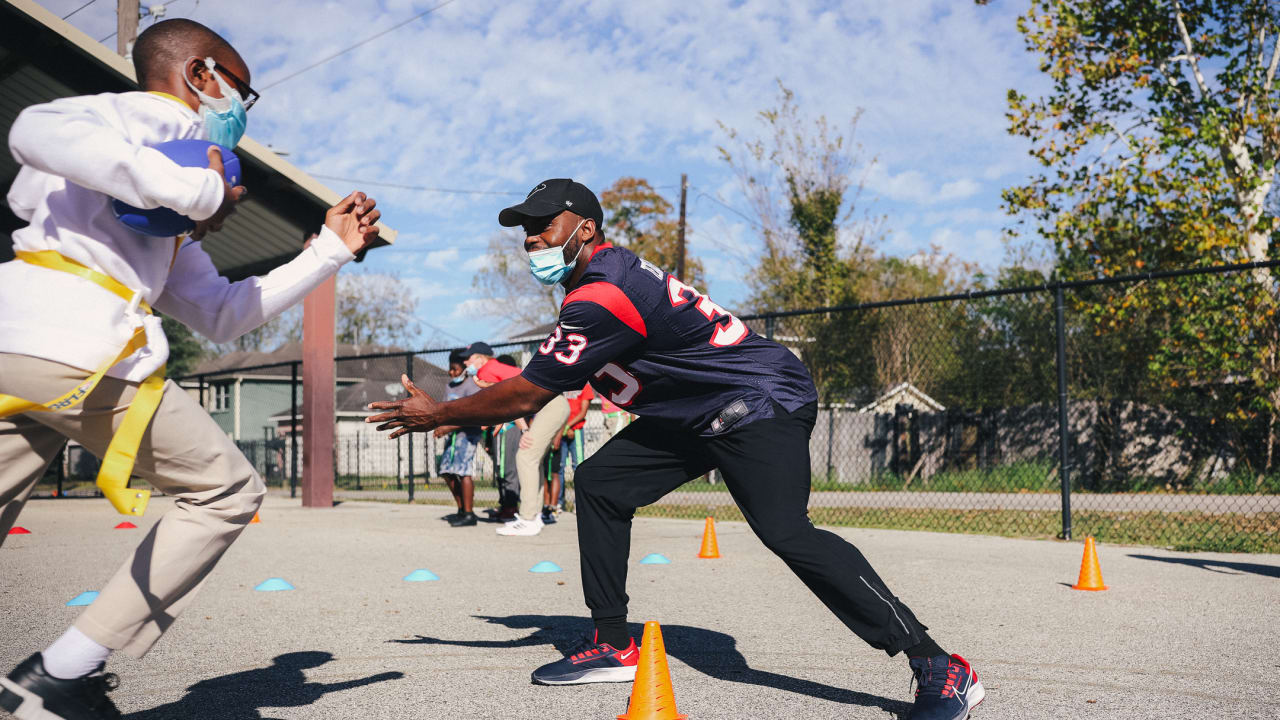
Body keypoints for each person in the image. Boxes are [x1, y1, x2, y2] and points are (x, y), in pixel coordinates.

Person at [367, 178, 983, 720]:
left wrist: (441, 414)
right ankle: (614, 643)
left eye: (542, 226)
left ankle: (937, 664)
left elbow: (528, 394)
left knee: (785, 531)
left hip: (756, 399)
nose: (531, 238)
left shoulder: (601, 294)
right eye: (525, 229)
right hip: (696, 412)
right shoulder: (594, 284)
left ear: (585, 229)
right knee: (603, 483)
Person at [0, 19, 383, 720]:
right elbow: (29, 128)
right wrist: (195, 190)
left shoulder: (159, 204)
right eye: (243, 90)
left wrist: (326, 251)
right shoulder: (131, 115)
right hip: (82, 347)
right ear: (202, 74)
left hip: (16, 350)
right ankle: (58, 677)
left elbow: (224, 313)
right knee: (225, 491)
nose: (241, 109)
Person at [465, 343, 525, 521]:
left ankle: (511, 508)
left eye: (470, 357)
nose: (467, 361)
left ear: (481, 358)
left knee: (507, 468)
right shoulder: (494, 368)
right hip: (508, 422)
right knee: (502, 466)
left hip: (510, 424)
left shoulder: (486, 371)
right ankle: (506, 505)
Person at [435, 349, 483, 527]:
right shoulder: (450, 386)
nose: (451, 373)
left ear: (464, 368)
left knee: (463, 471)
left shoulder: (472, 385)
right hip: (452, 434)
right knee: (447, 471)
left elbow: (474, 415)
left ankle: (470, 514)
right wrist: (441, 425)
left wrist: (448, 427)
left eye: (455, 369)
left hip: (468, 433)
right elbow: (445, 410)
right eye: (450, 369)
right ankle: (461, 509)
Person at [544, 383, 593, 522]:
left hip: (575, 430)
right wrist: (562, 428)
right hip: (560, 430)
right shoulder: (563, 383)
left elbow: (583, 412)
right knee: (558, 468)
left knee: (579, 467)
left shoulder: (585, 387)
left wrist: (568, 427)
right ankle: (559, 502)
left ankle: (580, 503)